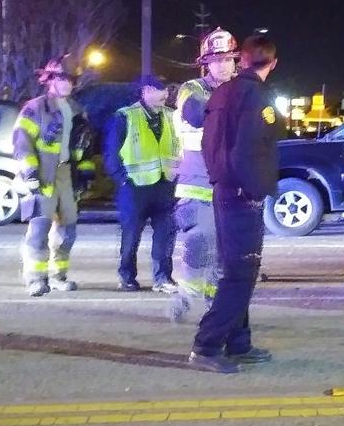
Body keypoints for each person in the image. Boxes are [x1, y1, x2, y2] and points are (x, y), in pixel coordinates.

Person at [188, 35, 280, 373]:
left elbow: (210, 143)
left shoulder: (222, 93)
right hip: (241, 194)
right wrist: (253, 190)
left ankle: (239, 342)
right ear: (273, 63)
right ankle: (207, 345)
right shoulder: (256, 96)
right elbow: (248, 149)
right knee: (241, 273)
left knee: (237, 270)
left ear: (242, 60)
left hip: (223, 189)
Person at [168, 29, 239, 322]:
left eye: (228, 59)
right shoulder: (191, 89)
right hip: (197, 183)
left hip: (230, 183)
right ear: (205, 63)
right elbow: (196, 114)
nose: (222, 65)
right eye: (216, 60)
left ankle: (214, 303)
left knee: (225, 250)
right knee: (201, 239)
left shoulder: (242, 90)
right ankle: (185, 295)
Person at [14, 56, 96, 297]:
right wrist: (30, 173)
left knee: (68, 231)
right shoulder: (35, 108)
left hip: (66, 175)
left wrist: (85, 174)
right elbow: (22, 143)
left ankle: (58, 276)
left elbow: (85, 147)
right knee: (39, 229)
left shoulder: (77, 110)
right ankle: (35, 279)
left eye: (70, 79)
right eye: (62, 79)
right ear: (49, 80)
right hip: (43, 174)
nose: (67, 83)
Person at [105, 76, 180, 293]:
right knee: (131, 237)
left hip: (165, 185)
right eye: (159, 90)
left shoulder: (172, 116)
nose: (164, 95)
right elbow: (112, 152)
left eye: (166, 90)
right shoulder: (125, 116)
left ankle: (163, 278)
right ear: (145, 91)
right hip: (134, 187)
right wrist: (122, 179)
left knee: (165, 236)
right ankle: (127, 277)